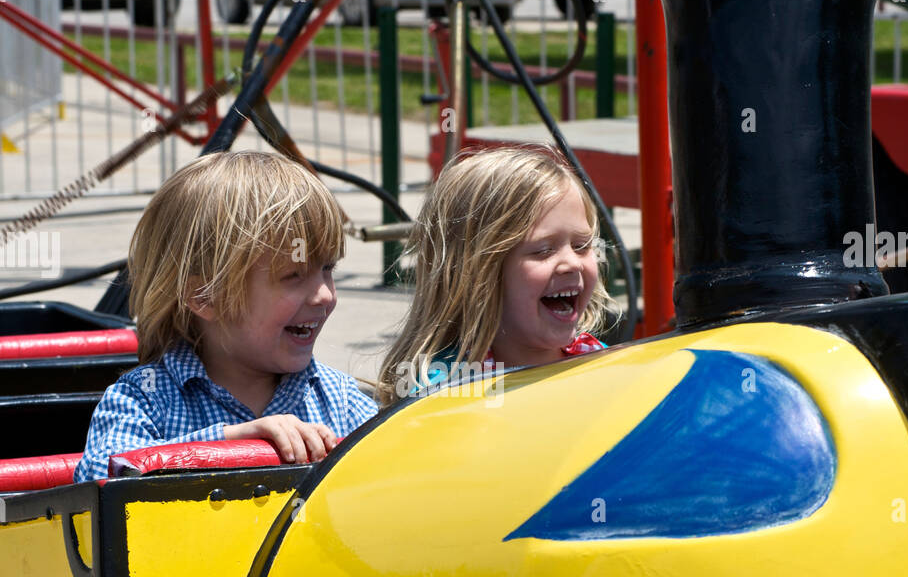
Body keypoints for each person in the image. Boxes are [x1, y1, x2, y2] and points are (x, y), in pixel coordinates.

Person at [74, 151, 377, 482]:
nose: (325, 295)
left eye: (327, 269)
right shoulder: (145, 399)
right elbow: (100, 478)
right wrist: (229, 444)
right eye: (294, 275)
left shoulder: (341, 401)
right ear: (205, 297)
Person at [376, 146, 618, 407]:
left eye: (582, 246)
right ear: (476, 271)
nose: (571, 263)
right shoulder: (446, 390)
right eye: (543, 250)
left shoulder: (599, 361)